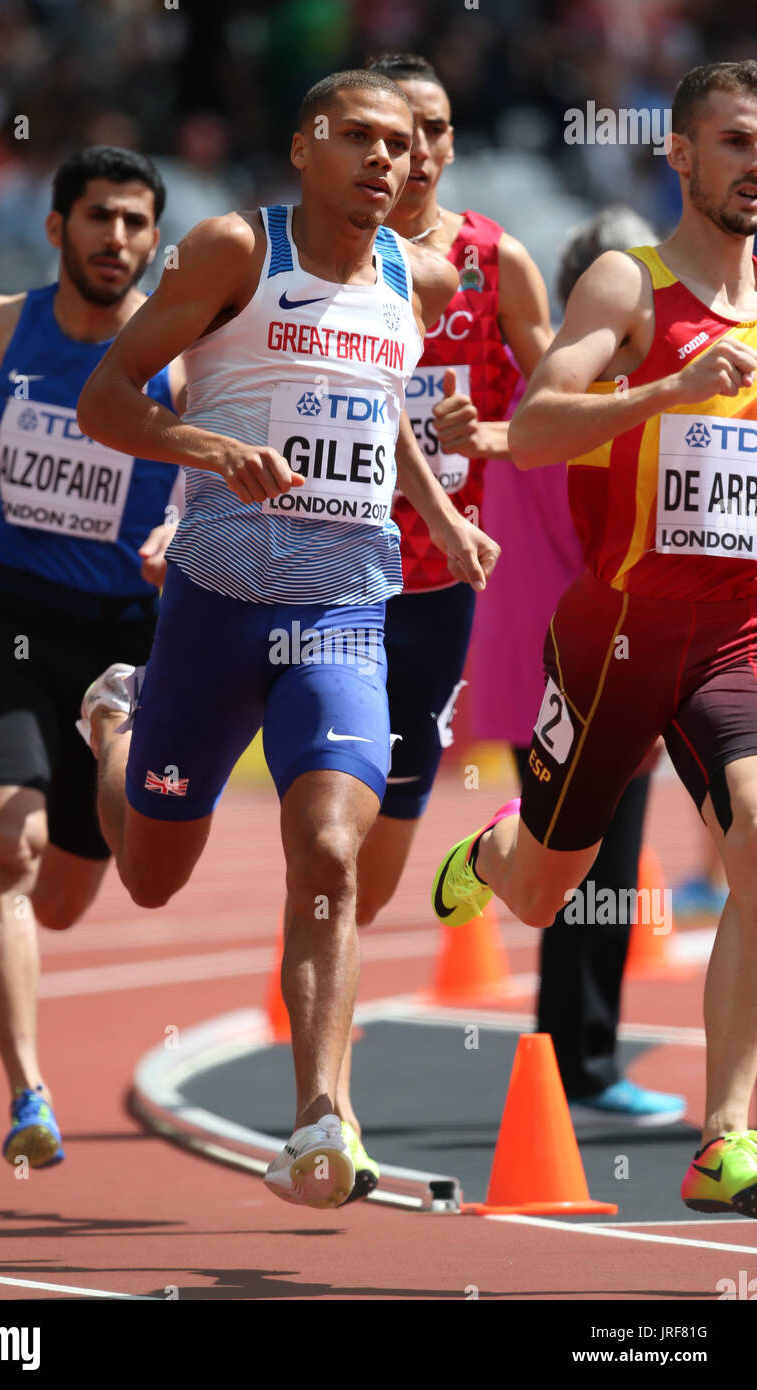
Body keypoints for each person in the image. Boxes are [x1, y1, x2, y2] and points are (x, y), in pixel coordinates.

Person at [75, 69, 500, 1210]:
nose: (386, 159)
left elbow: (380, 412)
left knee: (327, 847)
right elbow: (105, 403)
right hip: (213, 606)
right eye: (358, 136)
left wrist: (444, 513)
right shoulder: (232, 252)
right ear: (307, 145)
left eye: (405, 143)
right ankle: (113, 721)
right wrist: (211, 452)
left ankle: (321, 1116)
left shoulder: (426, 276)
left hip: (341, 611)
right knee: (151, 873)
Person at [432, 60, 757, 1217]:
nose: (752, 163)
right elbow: (531, 427)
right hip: (615, 633)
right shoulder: (630, 284)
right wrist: (662, 390)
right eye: (732, 141)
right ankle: (500, 851)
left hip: (735, 638)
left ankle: (728, 1134)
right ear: (679, 155)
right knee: (541, 893)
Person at [0, 146, 184, 1170]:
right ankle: (29, 1092)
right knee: (3, 855)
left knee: (64, 896)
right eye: (99, 217)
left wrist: (176, 532)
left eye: (137, 224)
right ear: (58, 226)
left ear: (155, 240)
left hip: (124, 636)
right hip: (13, 621)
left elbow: (221, 479)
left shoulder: (176, 355)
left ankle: (108, 758)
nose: (117, 240)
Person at [325, 52, 550, 1189]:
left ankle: (325, 1080)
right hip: (325, 574)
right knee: (323, 847)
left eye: (435, 128)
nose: (416, 150)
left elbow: (561, 408)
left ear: (448, 144)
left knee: (368, 875)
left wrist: (493, 433)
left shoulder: (490, 258)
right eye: (397, 131)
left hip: (437, 594)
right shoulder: (330, 256)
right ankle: (330, 1112)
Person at [471, 207, 686, 1125]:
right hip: (592, 662)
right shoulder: (600, 406)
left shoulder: (531, 390)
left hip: (533, 656)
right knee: (600, 873)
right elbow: (605, 550)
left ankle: (574, 1052)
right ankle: (582, 1061)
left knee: (579, 870)